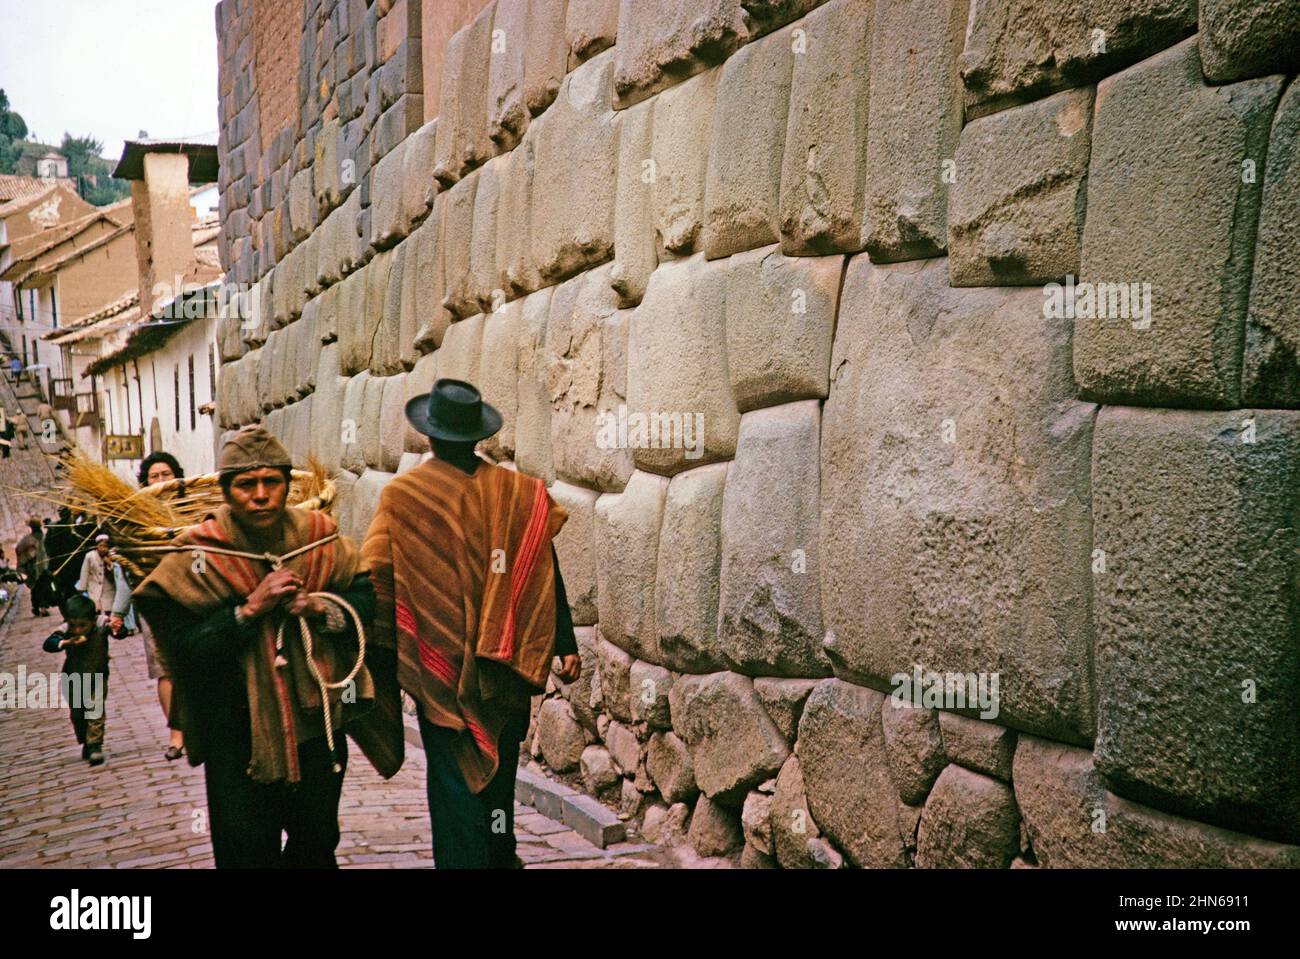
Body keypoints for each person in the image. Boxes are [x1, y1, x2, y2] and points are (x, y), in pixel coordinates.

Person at [133, 425, 403, 868]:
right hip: (235, 735)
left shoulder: (320, 539)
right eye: (246, 485)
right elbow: (182, 649)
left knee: (316, 843)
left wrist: (318, 606)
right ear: (226, 491)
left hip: (315, 726)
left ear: (285, 486)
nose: (260, 495)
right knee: (244, 850)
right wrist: (248, 612)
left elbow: (365, 602)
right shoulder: (196, 555)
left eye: (271, 483)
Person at [363, 379, 581, 869]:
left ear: (429, 435)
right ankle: (500, 860)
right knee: (499, 782)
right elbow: (543, 571)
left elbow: (374, 577)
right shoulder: (519, 493)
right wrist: (563, 642)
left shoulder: (403, 498)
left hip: (437, 668)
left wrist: (375, 646)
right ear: (478, 435)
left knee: (453, 784)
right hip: (503, 667)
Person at [130, 450, 188, 761]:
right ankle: (176, 733)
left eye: (166, 474)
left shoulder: (191, 509)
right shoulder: (136, 517)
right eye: (154, 476)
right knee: (165, 668)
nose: (161, 480)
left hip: (191, 596)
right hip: (155, 600)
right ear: (145, 482)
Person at [43, 593, 121, 766]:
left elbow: (118, 632)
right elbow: (49, 643)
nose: (78, 630)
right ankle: (85, 740)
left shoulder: (101, 625)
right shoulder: (65, 630)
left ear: (92, 620)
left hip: (97, 675)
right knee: (78, 714)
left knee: (95, 710)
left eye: (82, 626)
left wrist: (117, 626)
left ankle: (95, 745)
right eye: (74, 625)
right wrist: (66, 642)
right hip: (73, 677)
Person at [16, 517, 51, 616]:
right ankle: (37, 607)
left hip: (45, 567)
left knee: (42, 588)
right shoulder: (28, 540)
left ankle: (41, 607)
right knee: (37, 588)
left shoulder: (44, 537)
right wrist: (29, 555)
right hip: (33, 569)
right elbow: (19, 550)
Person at [76, 534, 118, 615]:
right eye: (100, 546)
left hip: (108, 588)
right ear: (96, 546)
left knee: (109, 609)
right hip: (93, 587)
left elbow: (117, 572)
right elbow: (85, 571)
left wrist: (109, 564)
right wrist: (82, 587)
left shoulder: (112, 556)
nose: (103, 549)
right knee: (95, 609)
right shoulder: (90, 556)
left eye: (105, 546)